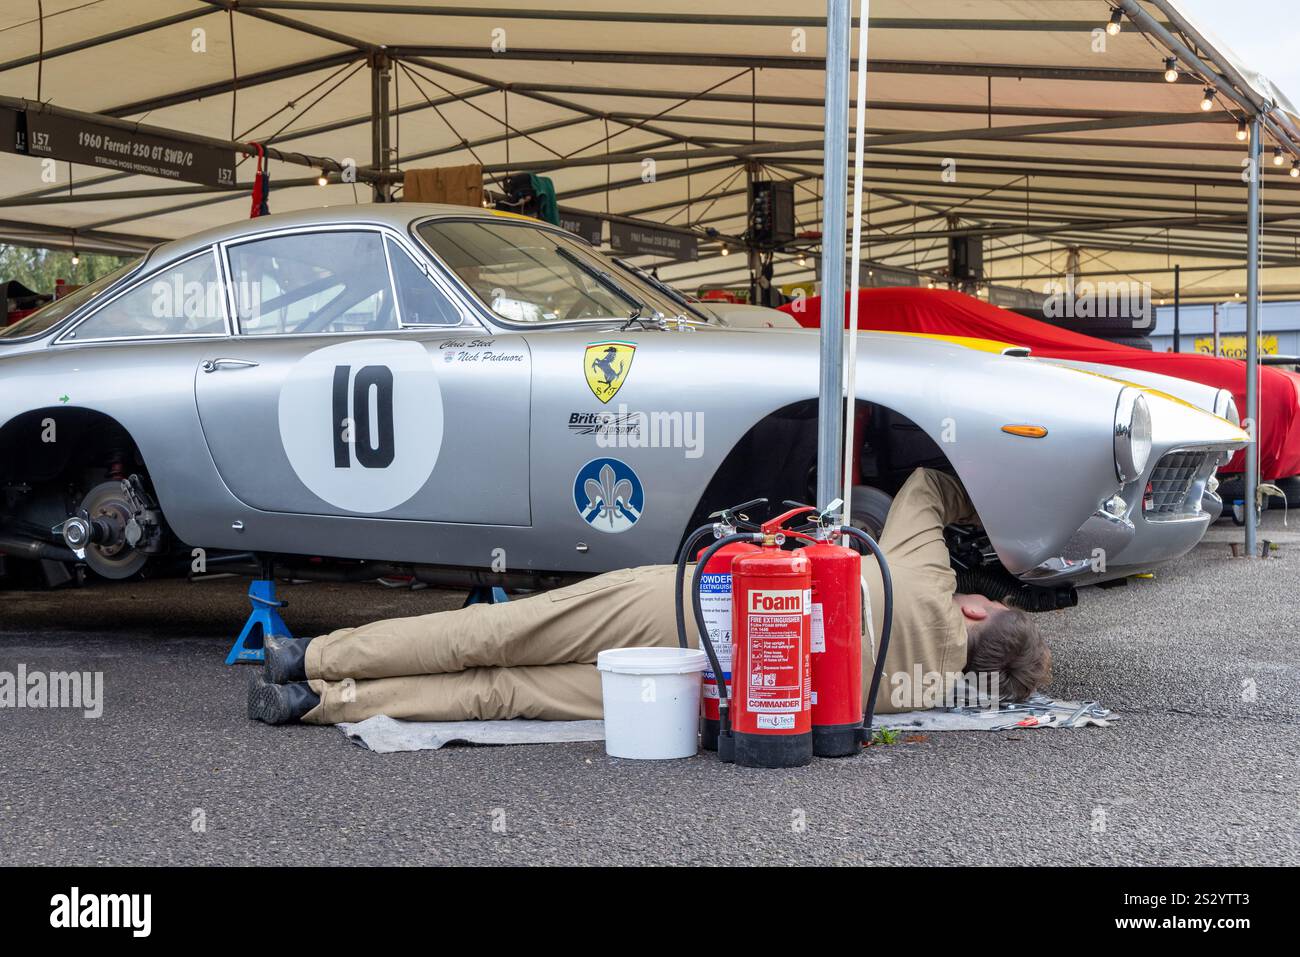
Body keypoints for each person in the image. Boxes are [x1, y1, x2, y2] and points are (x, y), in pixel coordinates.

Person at [248, 468, 1051, 726]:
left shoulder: (922, 577)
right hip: (684, 686)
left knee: (497, 631)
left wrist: (1004, 520)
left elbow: (927, 485)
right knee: (500, 692)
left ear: (980, 609)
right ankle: (320, 705)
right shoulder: (918, 701)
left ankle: (308, 654)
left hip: (681, 603)